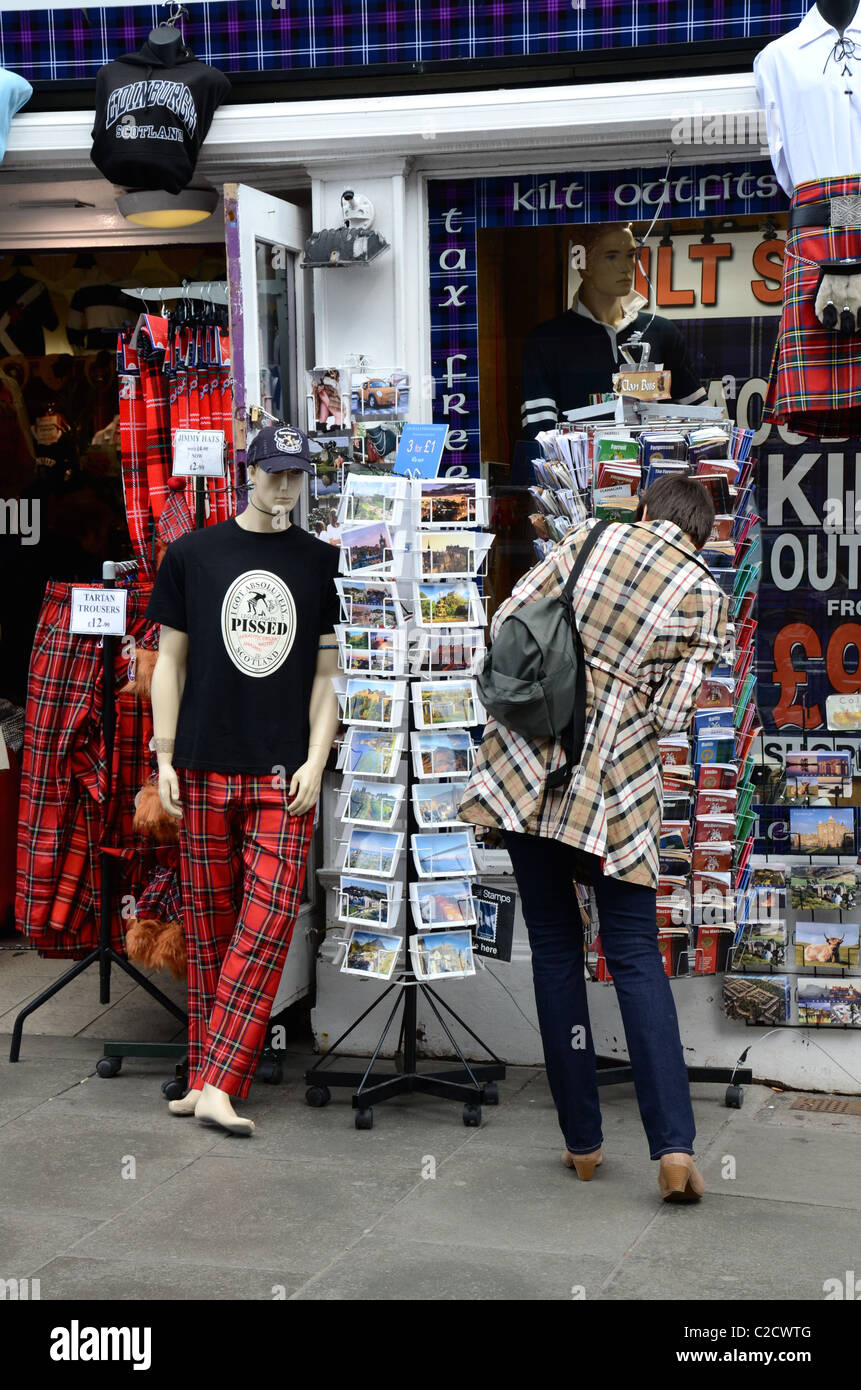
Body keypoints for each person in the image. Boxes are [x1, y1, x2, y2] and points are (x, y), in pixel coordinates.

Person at [458, 476, 727, 1202]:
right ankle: (672, 1149)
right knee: (635, 954)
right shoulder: (702, 592)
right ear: (700, 534)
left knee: (552, 943)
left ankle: (581, 1142)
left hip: (527, 769)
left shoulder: (589, 538)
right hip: (616, 793)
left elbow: (509, 619)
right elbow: (672, 715)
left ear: (644, 509)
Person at [147, 423, 341, 1136]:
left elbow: (327, 676)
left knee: (262, 929)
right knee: (210, 931)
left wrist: (317, 761)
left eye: (296, 475)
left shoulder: (321, 561)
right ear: (247, 473)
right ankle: (204, 1079)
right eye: (274, 474)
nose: (285, 488)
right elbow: (169, 661)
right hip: (200, 763)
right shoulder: (193, 555)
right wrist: (164, 755)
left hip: (279, 769)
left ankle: (219, 1082)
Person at [520, 222, 706, 439]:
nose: (626, 267)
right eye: (611, 256)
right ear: (584, 264)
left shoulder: (663, 332)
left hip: (656, 468)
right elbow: (541, 438)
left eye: (630, 255)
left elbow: (702, 425)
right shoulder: (546, 341)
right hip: (581, 471)